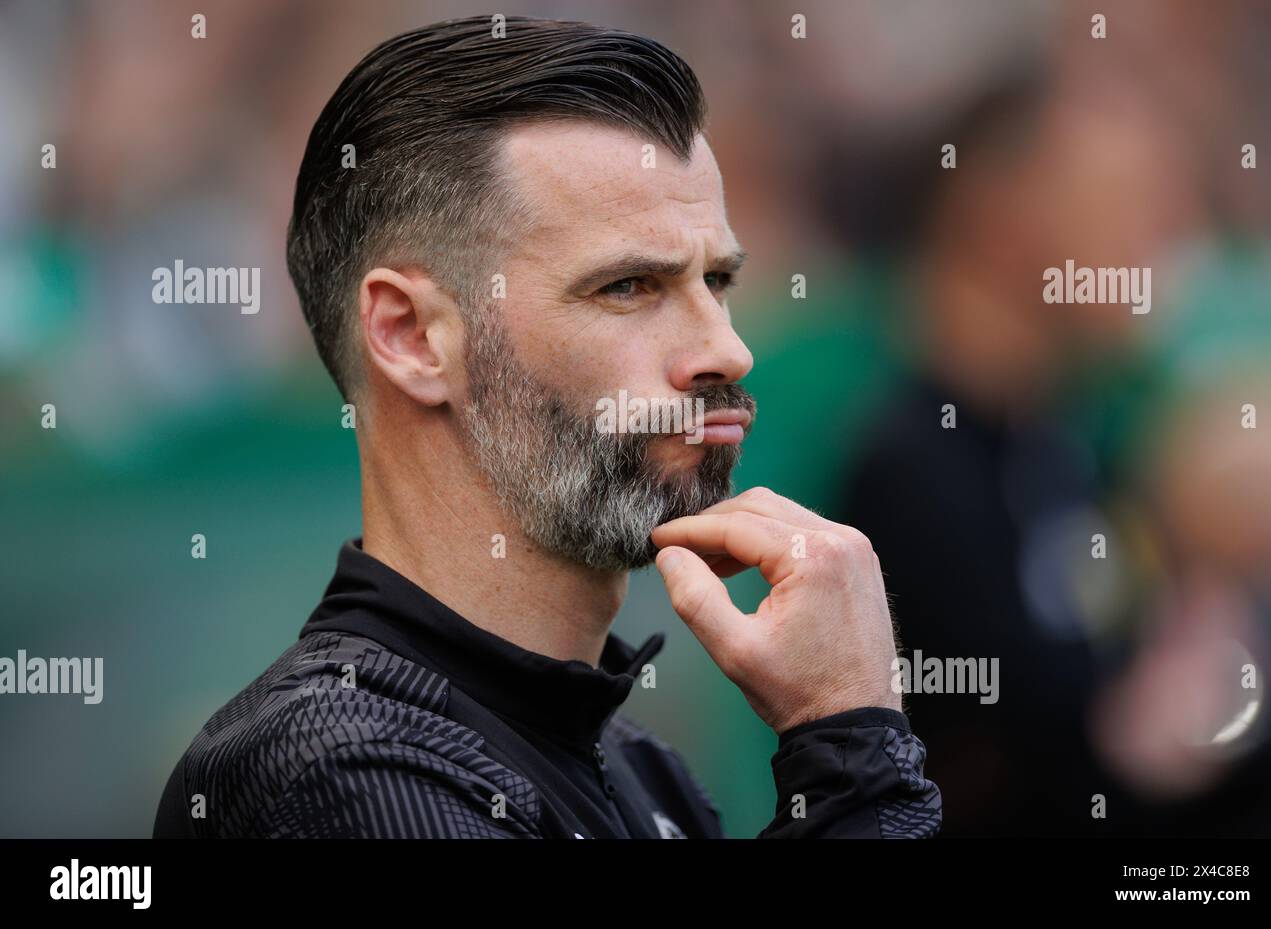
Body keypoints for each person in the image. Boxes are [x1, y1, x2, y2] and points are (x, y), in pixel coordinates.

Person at [153, 15, 940, 839]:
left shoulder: (641, 769)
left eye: (718, 280)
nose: (728, 350)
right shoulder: (332, 771)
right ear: (412, 335)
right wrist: (853, 758)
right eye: (629, 287)